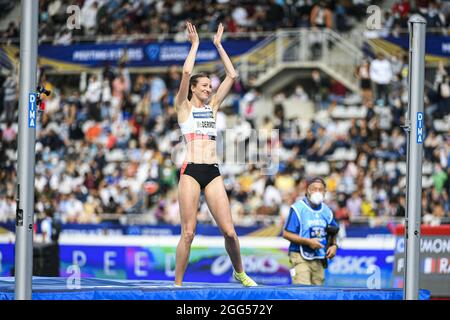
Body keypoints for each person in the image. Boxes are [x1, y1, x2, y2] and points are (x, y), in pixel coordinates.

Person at [173, 21, 257, 287]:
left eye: (211, 85)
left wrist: (220, 45)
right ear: (194, 88)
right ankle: (177, 285)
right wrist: (195, 44)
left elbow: (232, 76)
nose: (210, 89)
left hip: (212, 171)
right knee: (188, 233)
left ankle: (240, 272)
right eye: (206, 85)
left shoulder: (213, 108)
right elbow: (187, 71)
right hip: (191, 170)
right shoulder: (183, 107)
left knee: (230, 232)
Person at [282, 177, 339, 285]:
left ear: (325, 192)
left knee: (318, 293)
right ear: (307, 190)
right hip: (299, 256)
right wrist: (308, 242)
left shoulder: (327, 211)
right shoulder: (298, 209)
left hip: (319, 257)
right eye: (314, 189)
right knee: (303, 290)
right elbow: (286, 233)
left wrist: (334, 246)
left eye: (320, 189)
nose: (317, 192)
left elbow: (334, 230)